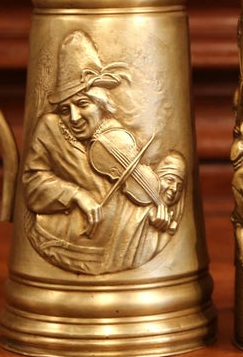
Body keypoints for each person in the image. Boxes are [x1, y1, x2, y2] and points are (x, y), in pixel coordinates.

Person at [22, 30, 170, 274]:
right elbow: (32, 184)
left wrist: (158, 203)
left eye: (82, 104)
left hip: (126, 240)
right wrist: (76, 195)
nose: (74, 118)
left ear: (101, 104)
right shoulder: (50, 128)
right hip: (68, 240)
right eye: (65, 109)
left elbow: (141, 185)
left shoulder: (115, 134)